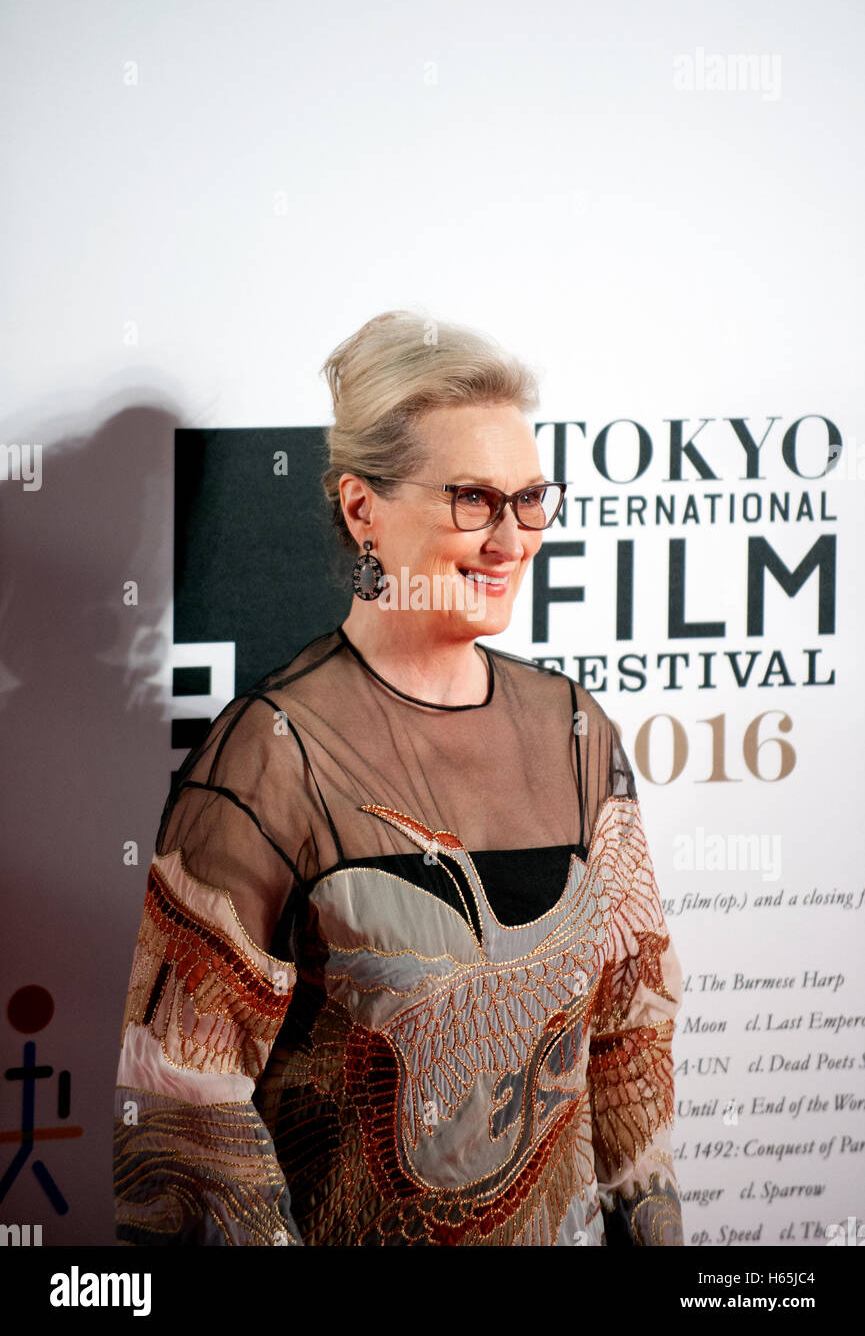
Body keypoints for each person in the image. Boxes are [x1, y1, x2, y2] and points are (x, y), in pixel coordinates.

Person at [113, 310, 685, 1246]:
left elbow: (630, 1036)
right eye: (470, 498)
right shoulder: (274, 752)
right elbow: (184, 1106)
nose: (510, 539)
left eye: (529, 498)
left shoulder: (574, 731)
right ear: (359, 508)